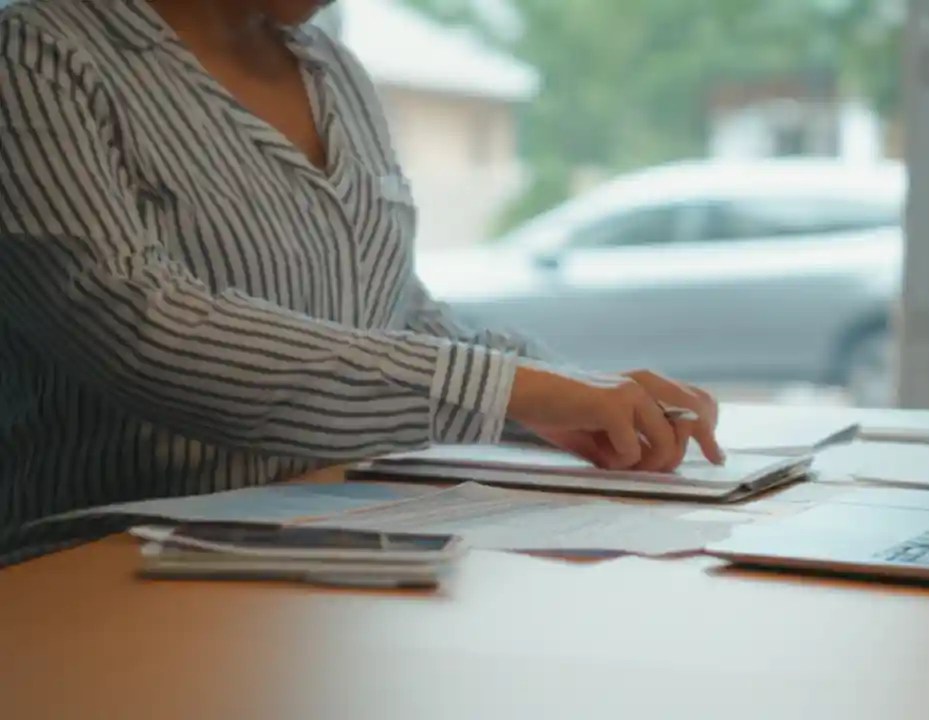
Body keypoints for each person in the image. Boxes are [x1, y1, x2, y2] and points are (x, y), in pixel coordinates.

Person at [0, 0, 724, 564]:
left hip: (323, 546)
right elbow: (146, 330)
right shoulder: (37, 57)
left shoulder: (331, 68)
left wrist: (572, 392)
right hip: (97, 565)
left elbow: (392, 314)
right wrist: (514, 388)